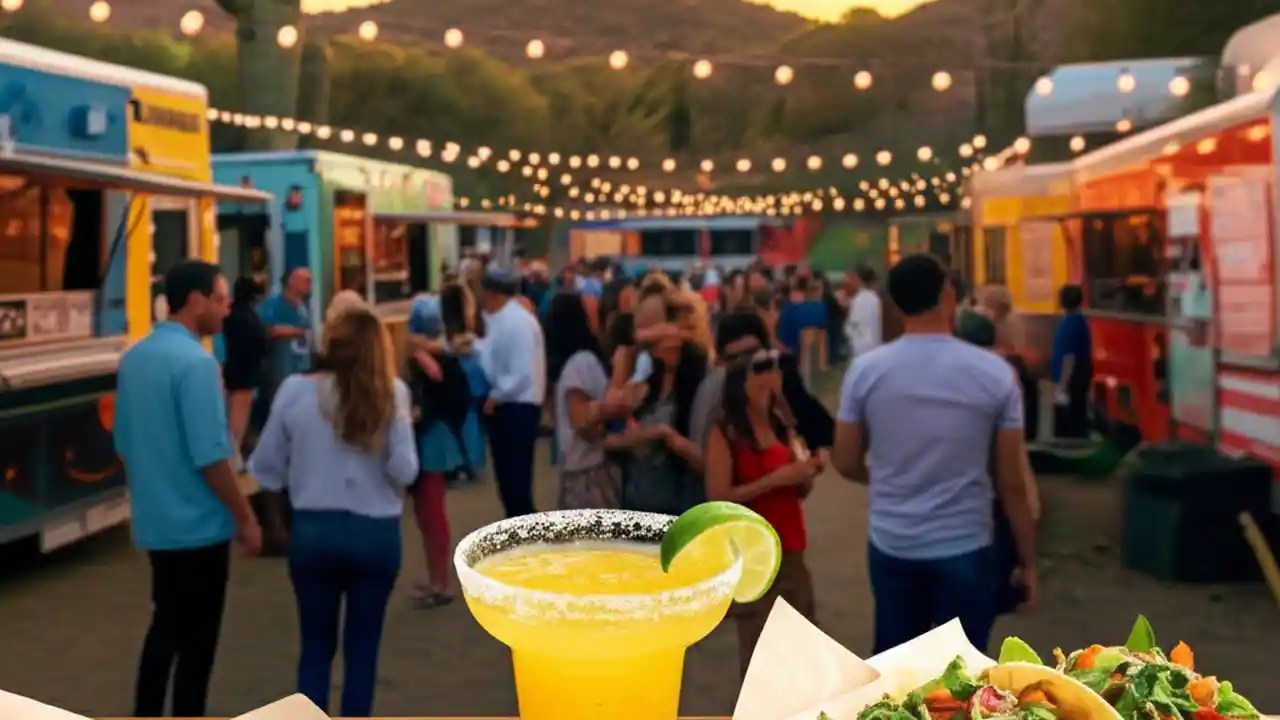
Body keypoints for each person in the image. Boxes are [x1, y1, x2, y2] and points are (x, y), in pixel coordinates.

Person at [831, 253, 1037, 654]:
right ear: (947, 297)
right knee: (964, 674)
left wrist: (888, 476)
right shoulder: (995, 374)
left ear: (894, 303)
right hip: (967, 543)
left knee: (896, 673)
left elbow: (845, 460)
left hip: (893, 542)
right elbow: (1011, 481)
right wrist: (1028, 560)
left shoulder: (866, 372)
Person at [248, 308, 417, 717]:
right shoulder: (391, 393)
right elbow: (405, 470)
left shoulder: (293, 390)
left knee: (315, 649)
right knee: (363, 651)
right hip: (375, 532)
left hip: (313, 529)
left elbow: (266, 467)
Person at [114, 260, 262, 718]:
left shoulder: (135, 358)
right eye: (219, 299)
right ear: (195, 300)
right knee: (198, 647)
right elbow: (211, 457)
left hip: (156, 523)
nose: (226, 308)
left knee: (164, 630)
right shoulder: (197, 364)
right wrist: (245, 516)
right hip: (199, 527)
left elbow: (123, 442)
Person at [705, 349, 822, 677]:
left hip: (792, 551)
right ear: (741, 381)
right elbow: (719, 499)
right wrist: (775, 480)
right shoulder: (726, 431)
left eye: (774, 369)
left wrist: (805, 474)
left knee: (803, 655)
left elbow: (799, 490)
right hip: (755, 558)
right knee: (761, 662)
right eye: (760, 371)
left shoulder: (780, 422)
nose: (770, 376)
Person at [689, 308, 834, 453]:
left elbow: (820, 432)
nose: (745, 366)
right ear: (720, 362)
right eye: (735, 360)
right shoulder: (713, 393)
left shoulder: (782, 380)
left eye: (752, 355)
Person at [616, 289, 707, 514]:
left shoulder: (698, 385)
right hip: (639, 498)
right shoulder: (646, 376)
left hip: (676, 502)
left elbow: (707, 463)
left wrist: (668, 436)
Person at [549, 294, 642, 509]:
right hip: (588, 475)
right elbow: (582, 420)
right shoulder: (583, 362)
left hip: (581, 473)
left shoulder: (578, 363)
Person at [478, 268, 546, 517]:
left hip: (515, 408)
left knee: (515, 484)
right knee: (511, 484)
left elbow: (521, 372)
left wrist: (497, 396)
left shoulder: (516, 323)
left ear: (493, 294)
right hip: (514, 406)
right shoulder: (507, 319)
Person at [255, 267, 313, 424]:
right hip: (281, 368)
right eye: (305, 280)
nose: (309, 283)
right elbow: (267, 329)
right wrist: (296, 332)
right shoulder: (274, 304)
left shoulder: (303, 306)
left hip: (302, 366)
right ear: (291, 281)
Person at [222, 276, 267, 471]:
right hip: (246, 371)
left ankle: (234, 453)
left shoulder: (232, 314)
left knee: (234, 411)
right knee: (239, 415)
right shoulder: (249, 316)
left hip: (235, 369)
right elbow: (259, 341)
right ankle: (233, 455)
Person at [1051, 284, 1093, 438]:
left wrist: (1062, 386)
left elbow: (1069, 358)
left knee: (1068, 427)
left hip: (1070, 383)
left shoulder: (1068, 325)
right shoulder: (1080, 322)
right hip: (1079, 379)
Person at [844, 263, 883, 360]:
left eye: (850, 277)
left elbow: (854, 325)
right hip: (874, 346)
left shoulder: (860, 300)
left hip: (861, 349)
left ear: (857, 278)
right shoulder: (874, 298)